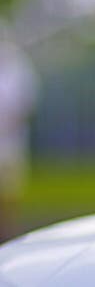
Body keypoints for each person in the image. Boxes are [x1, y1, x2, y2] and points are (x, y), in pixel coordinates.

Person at [0, 38, 37, 241]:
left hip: (10, 141)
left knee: (8, 193)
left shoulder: (17, 67)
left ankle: (8, 235)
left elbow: (22, 106)